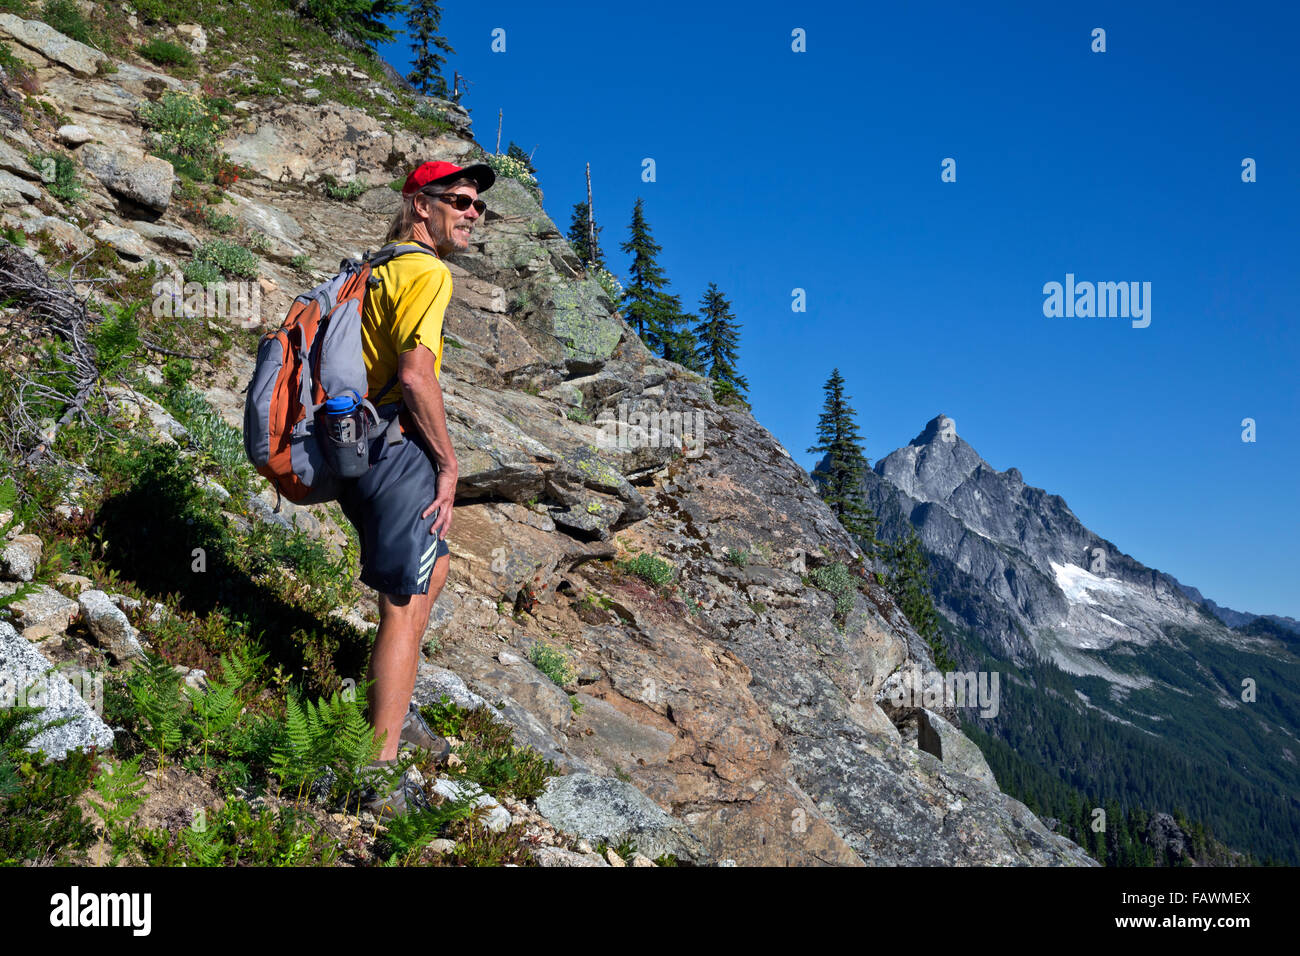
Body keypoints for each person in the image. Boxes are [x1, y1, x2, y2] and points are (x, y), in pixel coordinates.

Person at [340, 159, 495, 815]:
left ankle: (387, 711)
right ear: (421, 205)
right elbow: (414, 375)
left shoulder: (379, 265)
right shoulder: (428, 272)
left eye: (478, 205)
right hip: (391, 439)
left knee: (432, 570)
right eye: (459, 200)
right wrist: (449, 462)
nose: (472, 213)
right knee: (406, 598)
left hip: (347, 439)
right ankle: (376, 774)